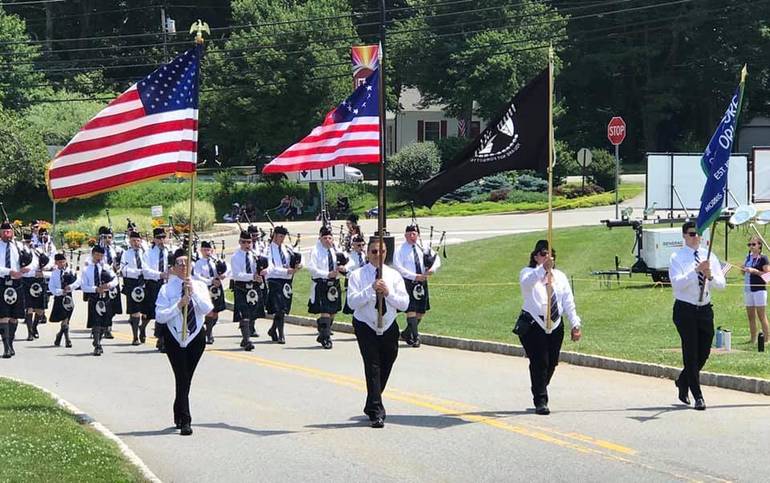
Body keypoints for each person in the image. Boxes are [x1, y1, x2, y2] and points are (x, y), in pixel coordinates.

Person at [347, 238, 409, 428]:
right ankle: (376, 411)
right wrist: (370, 289)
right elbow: (352, 303)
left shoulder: (394, 275)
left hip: (388, 323)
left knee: (387, 360)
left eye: (381, 251)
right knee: (372, 365)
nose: (378, 255)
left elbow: (405, 304)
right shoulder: (357, 275)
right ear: (367, 253)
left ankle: (372, 400)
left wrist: (388, 293)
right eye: (373, 252)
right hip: (365, 324)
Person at [517, 240, 582, 415]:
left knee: (552, 362)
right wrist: (542, 270)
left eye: (550, 254)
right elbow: (527, 284)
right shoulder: (528, 273)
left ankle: (539, 386)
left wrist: (575, 324)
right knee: (540, 362)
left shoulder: (559, 276)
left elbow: (568, 301)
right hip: (534, 324)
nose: (547, 257)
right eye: (543, 254)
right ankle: (541, 400)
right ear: (536, 256)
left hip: (555, 324)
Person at [155, 248, 214, 436]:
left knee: (186, 378)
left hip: (195, 336)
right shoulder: (166, 289)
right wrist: (179, 304)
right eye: (179, 263)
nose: (183, 266)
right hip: (174, 337)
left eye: (186, 262)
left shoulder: (200, 286)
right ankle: (186, 420)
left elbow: (207, 309)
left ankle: (178, 410)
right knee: (181, 376)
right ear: (173, 268)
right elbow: (160, 316)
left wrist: (193, 293)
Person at [669, 221, 726, 411]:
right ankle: (698, 396)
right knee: (691, 353)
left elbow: (721, 285)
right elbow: (677, 284)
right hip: (685, 309)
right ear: (684, 235)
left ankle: (683, 380)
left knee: (704, 351)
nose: (696, 237)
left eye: (699, 234)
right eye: (692, 234)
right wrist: (696, 272)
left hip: (704, 309)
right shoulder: (677, 257)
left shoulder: (709, 256)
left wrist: (709, 275)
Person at [393, 224, 441, 347]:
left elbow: (437, 259)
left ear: (418, 235)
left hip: (422, 282)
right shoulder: (400, 250)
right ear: (405, 235)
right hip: (408, 282)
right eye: (409, 234)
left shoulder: (424, 247)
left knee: (421, 312)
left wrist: (432, 269)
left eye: (414, 234)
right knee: (411, 310)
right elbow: (398, 267)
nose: (411, 236)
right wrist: (415, 276)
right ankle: (416, 337)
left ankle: (406, 333)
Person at [307, 225, 347, 349]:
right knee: (325, 311)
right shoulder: (315, 251)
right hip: (322, 283)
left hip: (334, 284)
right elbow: (312, 269)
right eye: (325, 238)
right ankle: (326, 338)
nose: (328, 240)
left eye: (330, 237)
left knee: (333, 312)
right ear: (320, 239)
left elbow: (348, 262)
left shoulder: (337, 250)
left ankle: (323, 329)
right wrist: (327, 274)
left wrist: (343, 269)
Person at [262, 226, 300, 345]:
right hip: (275, 279)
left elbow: (296, 258)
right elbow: (270, 267)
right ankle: (281, 334)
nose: (282, 239)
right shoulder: (268, 249)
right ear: (274, 235)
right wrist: (285, 271)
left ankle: (273, 330)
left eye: (283, 236)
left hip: (286, 281)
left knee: (283, 308)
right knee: (279, 308)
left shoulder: (287, 248)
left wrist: (298, 266)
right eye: (280, 236)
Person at [81, 245, 118, 356]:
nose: (99, 257)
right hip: (94, 297)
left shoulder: (106, 267)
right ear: (92, 254)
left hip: (105, 296)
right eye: (97, 255)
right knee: (96, 321)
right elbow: (83, 286)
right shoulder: (87, 269)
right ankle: (97, 345)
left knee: (104, 323)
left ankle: (98, 339)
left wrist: (109, 285)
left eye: (101, 255)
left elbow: (115, 279)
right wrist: (95, 289)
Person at [0, 222, 29, 358]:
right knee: (3, 316)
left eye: (9, 232)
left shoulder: (19, 246)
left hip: (17, 283)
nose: (7, 234)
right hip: (2, 282)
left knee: (14, 317)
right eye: (4, 232)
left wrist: (25, 269)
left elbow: (33, 260)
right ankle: (5, 347)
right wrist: (9, 271)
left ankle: (10, 343)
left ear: (12, 232)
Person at [194, 241, 229, 345]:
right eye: (204, 250)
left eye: (208, 250)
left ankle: (207, 330)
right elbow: (197, 276)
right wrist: (210, 281)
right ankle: (209, 335)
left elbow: (227, 268)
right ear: (201, 251)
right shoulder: (199, 263)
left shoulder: (216, 261)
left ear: (212, 250)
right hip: (206, 288)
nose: (206, 252)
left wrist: (223, 275)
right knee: (209, 311)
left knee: (216, 313)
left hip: (217, 288)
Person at [144, 227, 170, 352]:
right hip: (154, 284)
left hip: (168, 284)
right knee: (154, 312)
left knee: (166, 312)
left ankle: (162, 339)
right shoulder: (148, 253)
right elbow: (146, 271)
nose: (161, 240)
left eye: (163, 237)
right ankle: (143, 328)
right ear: (154, 239)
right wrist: (160, 274)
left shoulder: (170, 251)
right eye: (158, 238)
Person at [741, 235, 770, 345]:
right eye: (749, 245)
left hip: (759, 290)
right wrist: (744, 269)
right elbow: (743, 272)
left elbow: (767, 275)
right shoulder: (748, 257)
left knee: (761, 315)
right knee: (750, 316)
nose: (751, 247)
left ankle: (767, 339)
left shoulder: (763, 258)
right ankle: (753, 339)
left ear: (759, 246)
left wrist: (754, 271)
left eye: (753, 244)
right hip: (748, 289)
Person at [21, 232, 50, 341]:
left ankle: (34, 327)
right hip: (27, 280)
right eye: (27, 242)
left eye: (31, 241)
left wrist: (43, 270)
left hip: (39, 280)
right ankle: (29, 333)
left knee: (40, 310)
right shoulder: (21, 252)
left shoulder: (39, 251)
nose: (30, 243)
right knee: (29, 308)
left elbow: (49, 263)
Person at [122, 231, 149, 345]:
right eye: (133, 240)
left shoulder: (146, 253)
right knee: (135, 311)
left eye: (138, 240)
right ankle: (135, 337)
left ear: (141, 241)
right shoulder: (126, 254)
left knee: (147, 311)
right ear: (130, 241)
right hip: (132, 282)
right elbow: (123, 270)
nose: (136, 243)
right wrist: (137, 272)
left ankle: (142, 328)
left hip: (146, 281)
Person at [48, 253, 80, 348]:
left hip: (69, 298)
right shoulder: (54, 273)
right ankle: (67, 339)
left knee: (66, 319)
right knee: (64, 319)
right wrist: (61, 291)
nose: (62, 263)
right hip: (59, 298)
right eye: (60, 262)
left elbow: (78, 281)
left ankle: (60, 336)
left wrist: (70, 287)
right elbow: (51, 287)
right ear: (56, 262)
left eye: (63, 261)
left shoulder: (71, 271)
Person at [343, 234, 366, 315]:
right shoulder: (349, 256)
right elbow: (345, 270)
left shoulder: (365, 255)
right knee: (354, 307)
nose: (361, 247)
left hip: (364, 283)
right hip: (354, 283)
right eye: (359, 245)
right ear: (353, 245)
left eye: (363, 245)